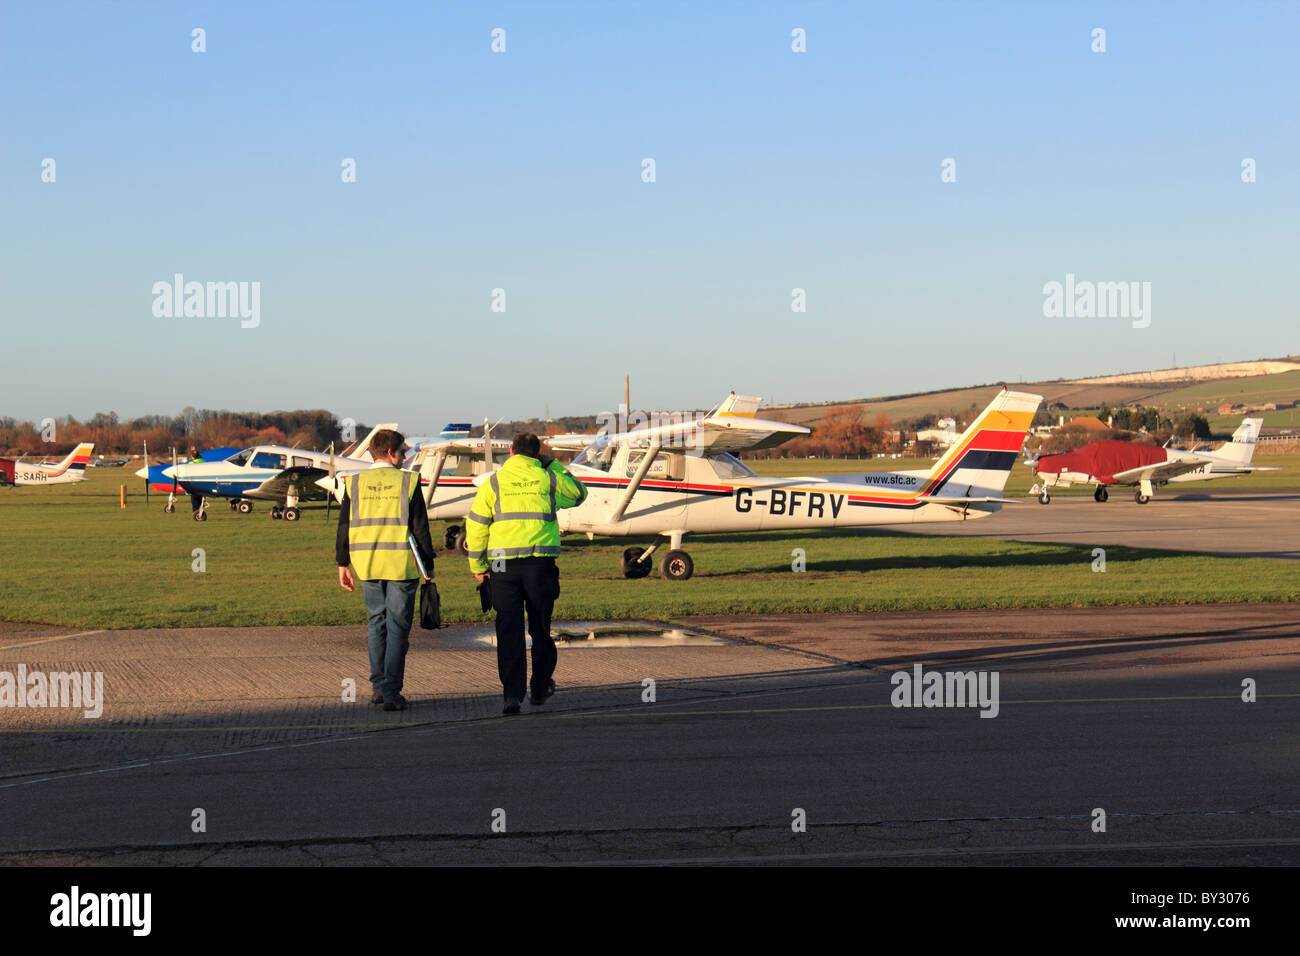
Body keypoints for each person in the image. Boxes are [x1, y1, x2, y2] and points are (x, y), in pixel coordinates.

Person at [466, 433, 586, 714]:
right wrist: (553, 465)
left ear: (510, 453)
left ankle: (511, 695)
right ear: (538, 454)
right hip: (539, 562)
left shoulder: (493, 482)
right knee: (541, 629)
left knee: (508, 629)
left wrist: (478, 566)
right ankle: (541, 685)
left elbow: (477, 526)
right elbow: (579, 493)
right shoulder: (548, 477)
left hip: (500, 564)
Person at [336, 429, 436, 711]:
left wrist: (342, 563)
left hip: (366, 563)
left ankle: (379, 687)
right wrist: (427, 565)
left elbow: (344, 526)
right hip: (400, 565)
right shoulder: (408, 482)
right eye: (402, 452)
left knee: (376, 623)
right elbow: (420, 528)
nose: (404, 458)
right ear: (391, 453)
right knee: (398, 627)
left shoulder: (354, 483)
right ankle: (392, 691)